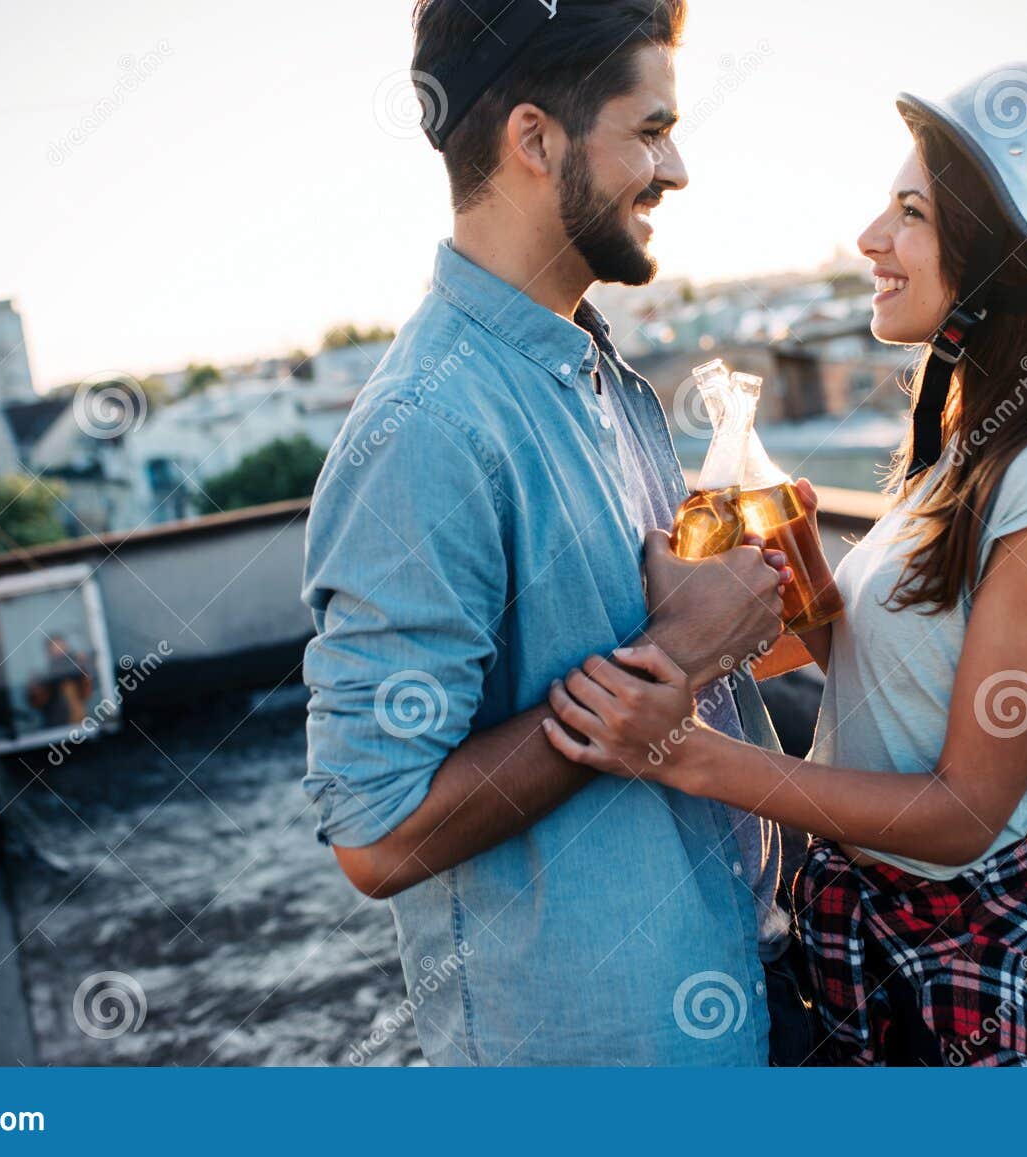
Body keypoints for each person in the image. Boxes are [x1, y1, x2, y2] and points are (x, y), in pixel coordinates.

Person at [543, 61, 1027, 1066]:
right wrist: (793, 566)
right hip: (897, 937)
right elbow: (883, 676)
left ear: (1007, 260)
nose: (870, 237)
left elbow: (963, 812)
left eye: (911, 212)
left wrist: (687, 753)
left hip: (983, 956)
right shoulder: (971, 453)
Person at [302, 0, 815, 1065]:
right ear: (534, 140)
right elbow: (379, 829)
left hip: (736, 1004)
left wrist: (746, 620)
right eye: (650, 127)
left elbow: (676, 672)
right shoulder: (425, 431)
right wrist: (673, 652)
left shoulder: (601, 377)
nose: (674, 168)